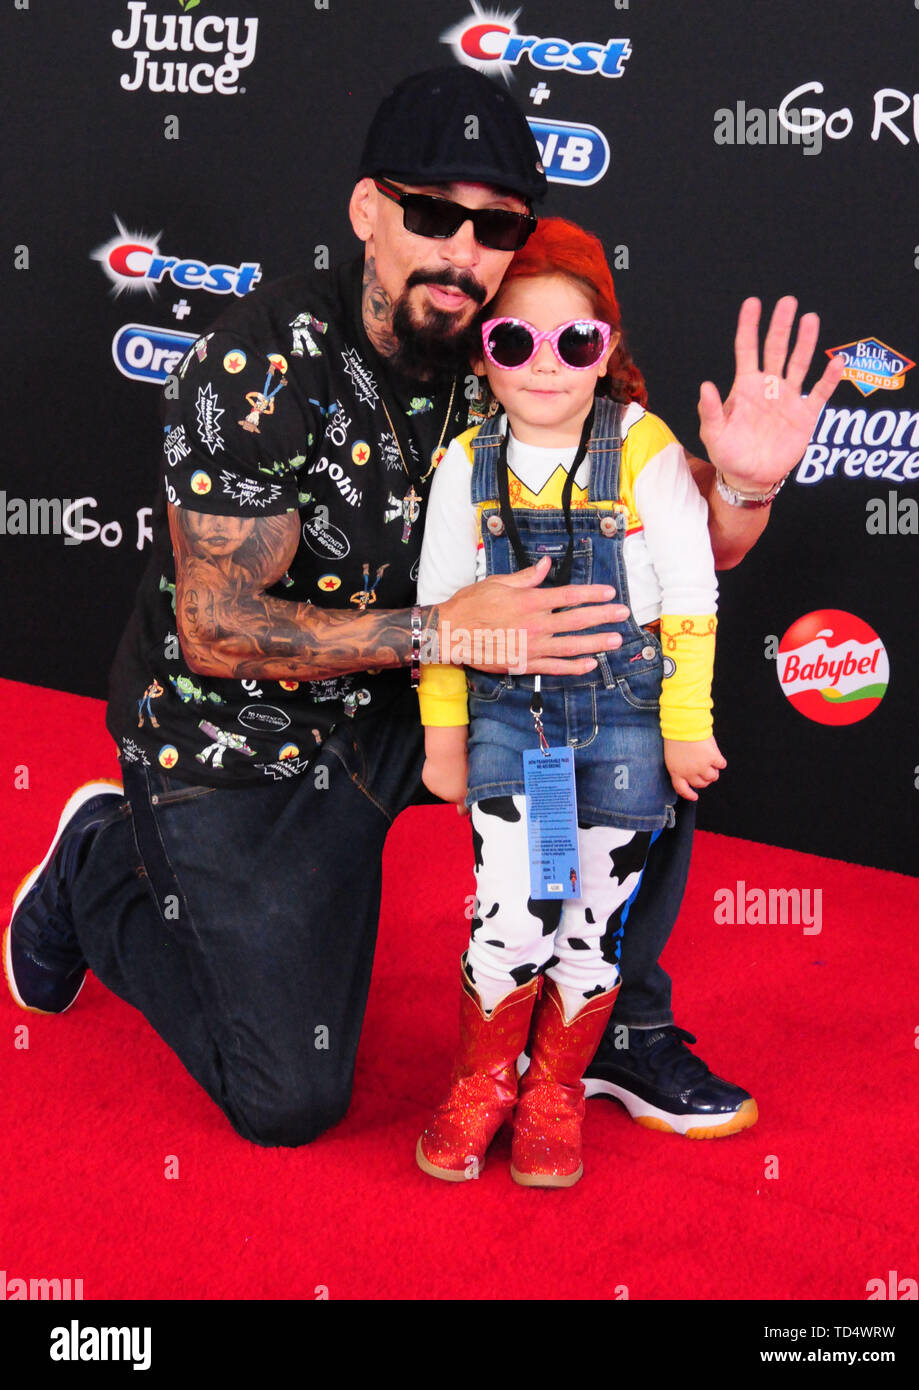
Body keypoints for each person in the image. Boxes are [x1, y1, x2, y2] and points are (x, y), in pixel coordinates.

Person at [3, 68, 843, 1148]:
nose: (463, 256)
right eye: (433, 215)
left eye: (496, 229)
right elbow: (215, 625)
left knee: (625, 688)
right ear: (368, 211)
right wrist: (448, 629)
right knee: (287, 1101)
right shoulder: (256, 367)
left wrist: (743, 483)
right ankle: (98, 862)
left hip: (438, 700)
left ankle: (610, 1015)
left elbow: (690, 548)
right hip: (248, 738)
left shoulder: (524, 352)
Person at [414, 217, 728, 1186]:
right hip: (519, 727)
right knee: (514, 913)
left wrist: (687, 726)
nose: (544, 365)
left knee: (593, 925)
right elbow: (439, 609)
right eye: (515, 340)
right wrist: (445, 737)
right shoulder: (469, 460)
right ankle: (484, 1079)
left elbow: (689, 593)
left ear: (608, 352)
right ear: (484, 353)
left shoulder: (644, 447)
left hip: (629, 726)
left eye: (574, 342)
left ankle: (556, 1090)